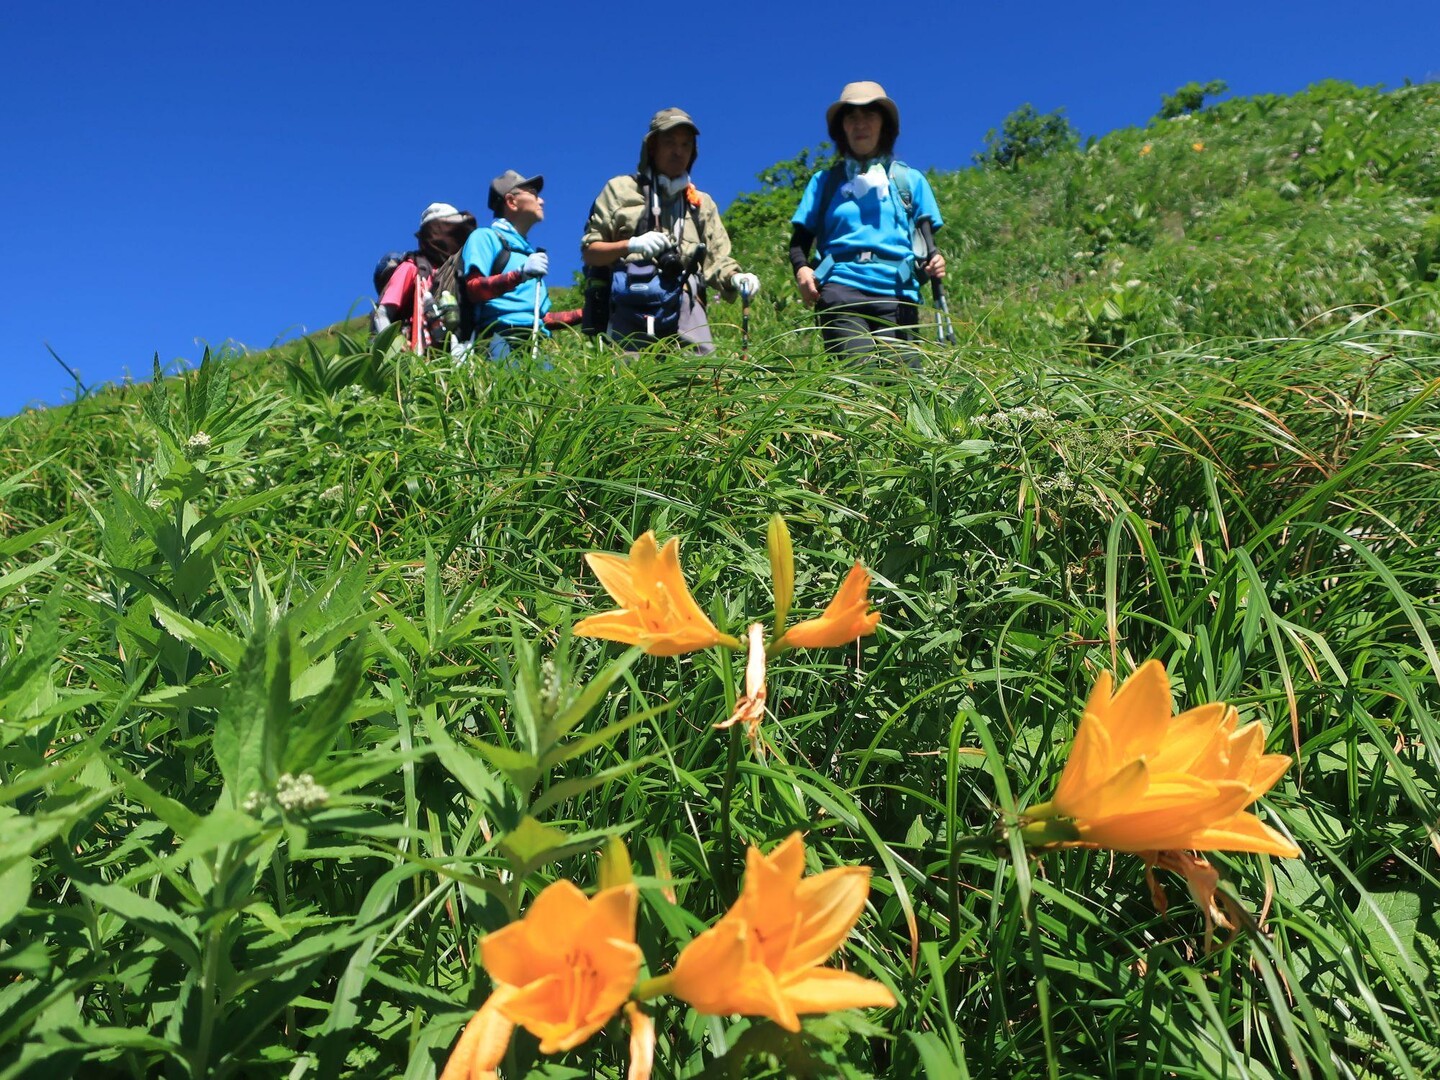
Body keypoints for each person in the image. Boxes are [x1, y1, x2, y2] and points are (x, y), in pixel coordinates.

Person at [581, 108, 760, 354]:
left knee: (699, 378)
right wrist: (631, 245)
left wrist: (736, 278)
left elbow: (718, 260)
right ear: (652, 147)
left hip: (687, 302)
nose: (678, 151)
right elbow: (591, 252)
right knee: (630, 385)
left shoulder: (701, 203)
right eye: (670, 142)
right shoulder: (620, 189)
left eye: (686, 145)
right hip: (631, 302)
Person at [790, 82, 946, 364]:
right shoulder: (824, 183)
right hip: (840, 289)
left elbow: (928, 243)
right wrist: (802, 270)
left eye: (869, 115)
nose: (860, 124)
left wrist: (935, 260)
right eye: (851, 116)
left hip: (897, 292)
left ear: (884, 125)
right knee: (860, 381)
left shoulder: (909, 181)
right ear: (842, 128)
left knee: (904, 385)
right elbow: (799, 241)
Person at [460, 170, 581, 361]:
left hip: (535, 343)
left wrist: (585, 313)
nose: (541, 201)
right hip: (497, 339)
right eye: (533, 193)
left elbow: (541, 318)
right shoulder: (485, 237)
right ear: (511, 201)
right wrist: (520, 274)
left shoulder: (527, 252)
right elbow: (473, 288)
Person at [372, 203, 477, 349]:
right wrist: (395, 349)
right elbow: (382, 313)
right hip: (417, 358)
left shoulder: (457, 272)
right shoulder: (412, 268)